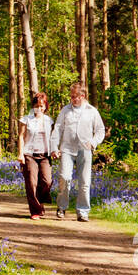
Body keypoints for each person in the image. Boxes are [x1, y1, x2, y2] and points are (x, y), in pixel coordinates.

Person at [50, 83, 105, 222]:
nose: (73, 99)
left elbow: (100, 130)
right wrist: (54, 148)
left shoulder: (92, 111)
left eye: (75, 97)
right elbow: (57, 129)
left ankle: (83, 211)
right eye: (71, 97)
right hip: (67, 149)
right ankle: (61, 207)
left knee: (85, 182)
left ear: (83, 96)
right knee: (64, 178)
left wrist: (93, 143)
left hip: (84, 150)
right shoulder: (65, 111)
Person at [17, 91, 56, 219]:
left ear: (45, 107)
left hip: (45, 155)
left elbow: (53, 137)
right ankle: (35, 210)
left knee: (47, 181)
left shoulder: (49, 120)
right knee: (31, 182)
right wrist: (20, 154)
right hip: (30, 154)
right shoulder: (26, 119)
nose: (39, 108)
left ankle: (39, 200)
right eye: (37, 105)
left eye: (42, 106)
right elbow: (21, 136)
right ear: (33, 106)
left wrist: (56, 150)